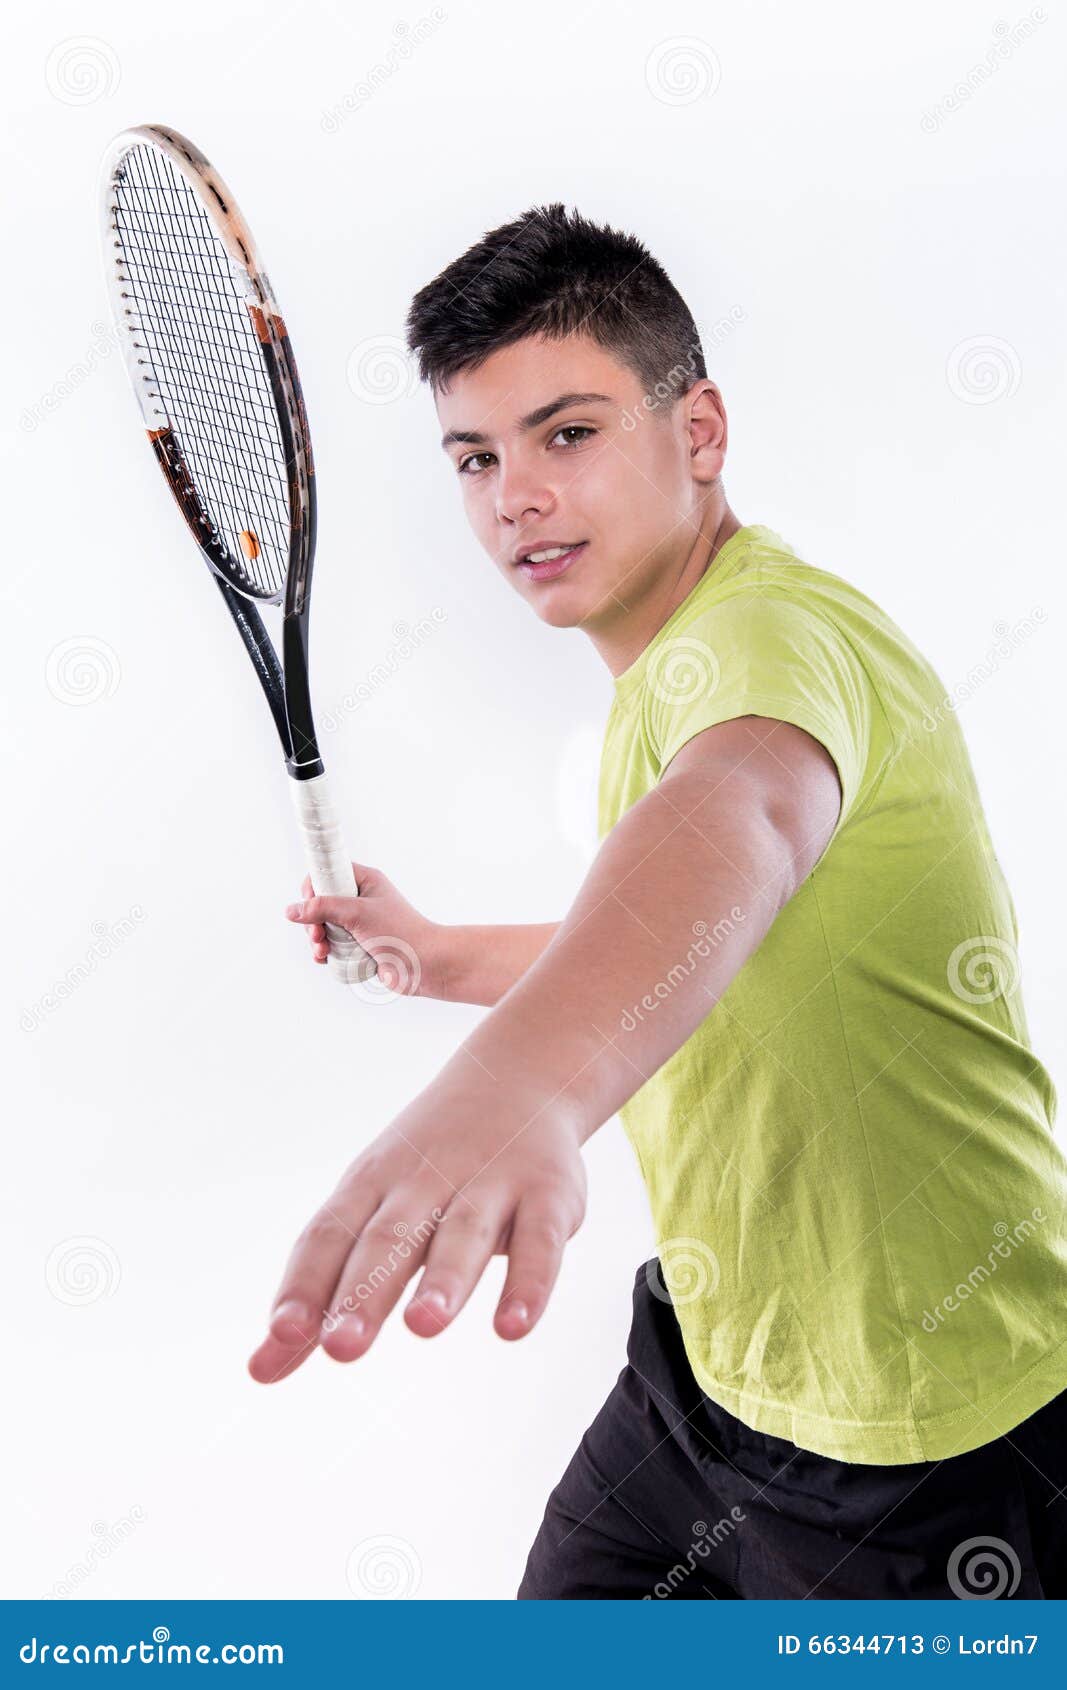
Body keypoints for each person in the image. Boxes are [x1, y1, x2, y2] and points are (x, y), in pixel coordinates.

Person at [247, 205, 1067, 1599]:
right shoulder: (674, 659)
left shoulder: (768, 644)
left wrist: (530, 1082)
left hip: (926, 1437)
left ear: (698, 432)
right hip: (702, 1380)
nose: (515, 494)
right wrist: (445, 959)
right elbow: (702, 940)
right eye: (477, 456)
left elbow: (734, 822)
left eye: (568, 434)